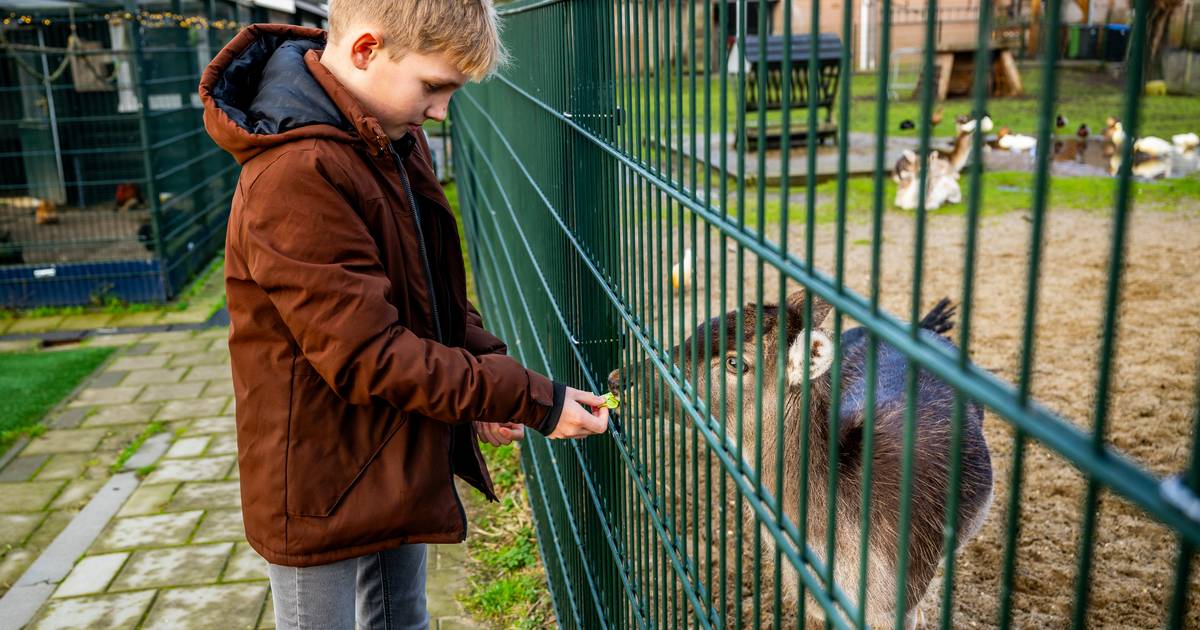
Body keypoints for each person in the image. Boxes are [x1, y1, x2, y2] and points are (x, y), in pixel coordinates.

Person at [198, 2, 609, 627]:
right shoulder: (294, 174)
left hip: (396, 443)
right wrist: (528, 398)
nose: (441, 111)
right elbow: (370, 354)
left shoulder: (389, 135)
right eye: (434, 86)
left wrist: (485, 377)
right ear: (366, 50)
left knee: (403, 617)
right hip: (319, 476)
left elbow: (427, 290)